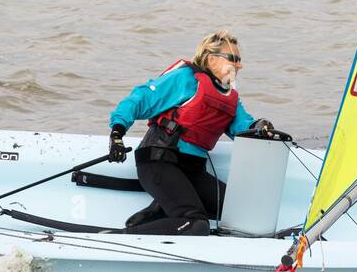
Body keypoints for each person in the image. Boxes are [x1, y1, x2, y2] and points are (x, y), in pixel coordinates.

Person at [107, 29, 276, 235]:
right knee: (196, 224)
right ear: (212, 59)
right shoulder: (186, 79)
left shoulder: (229, 96)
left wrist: (259, 126)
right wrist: (117, 134)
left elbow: (243, 127)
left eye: (240, 60)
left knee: (243, 213)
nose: (239, 65)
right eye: (234, 59)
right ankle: (121, 237)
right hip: (159, 161)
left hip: (192, 170)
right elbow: (139, 99)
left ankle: (161, 209)